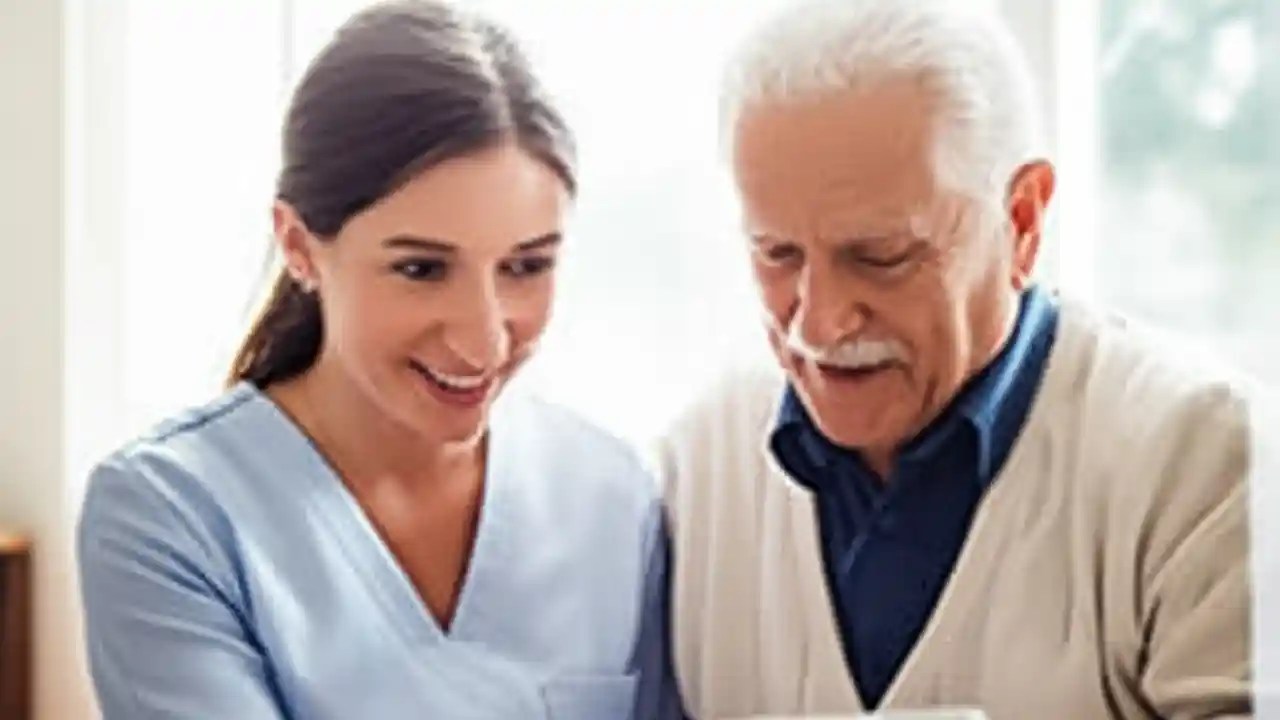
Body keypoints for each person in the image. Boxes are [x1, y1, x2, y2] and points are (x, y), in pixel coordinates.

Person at [77, 2, 683, 718]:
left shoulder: (614, 498)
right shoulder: (169, 516)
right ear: (300, 247)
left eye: (526, 267)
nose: (485, 341)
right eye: (423, 269)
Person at [657, 1, 1255, 718]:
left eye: (881, 257)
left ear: (1024, 221)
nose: (818, 324)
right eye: (777, 254)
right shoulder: (696, 470)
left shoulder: (1205, 463)